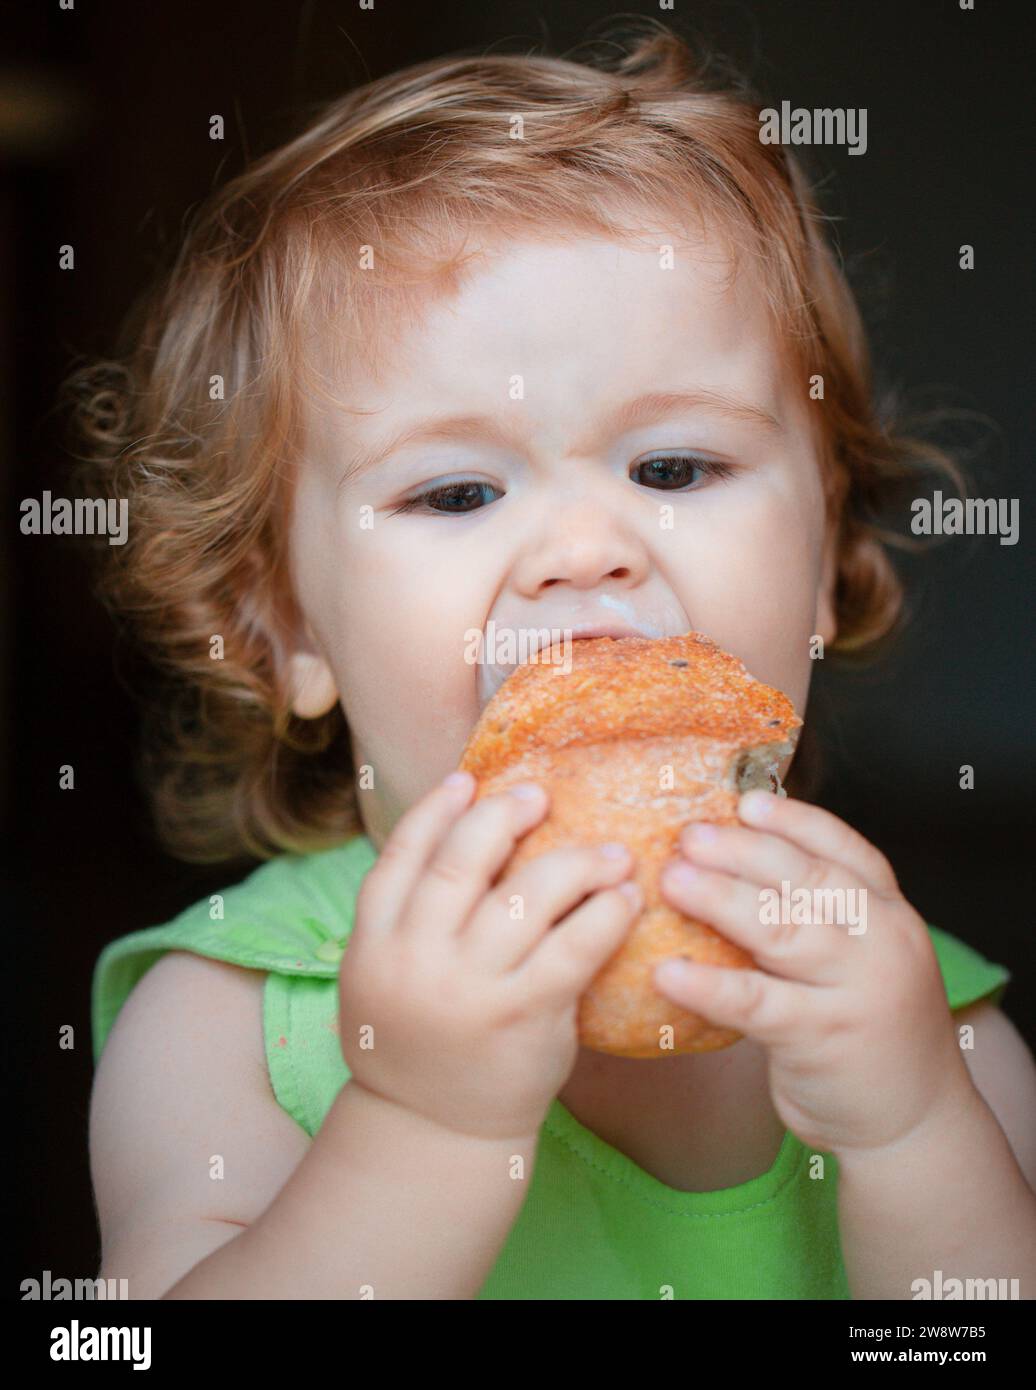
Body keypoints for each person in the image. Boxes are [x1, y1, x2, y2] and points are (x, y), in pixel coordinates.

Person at [73, 23, 1035, 1299]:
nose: (585, 552)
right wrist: (425, 1126)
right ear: (280, 632)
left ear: (819, 565)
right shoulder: (223, 1026)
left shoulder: (935, 1032)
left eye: (675, 468)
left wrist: (915, 1137)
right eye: (459, 490)